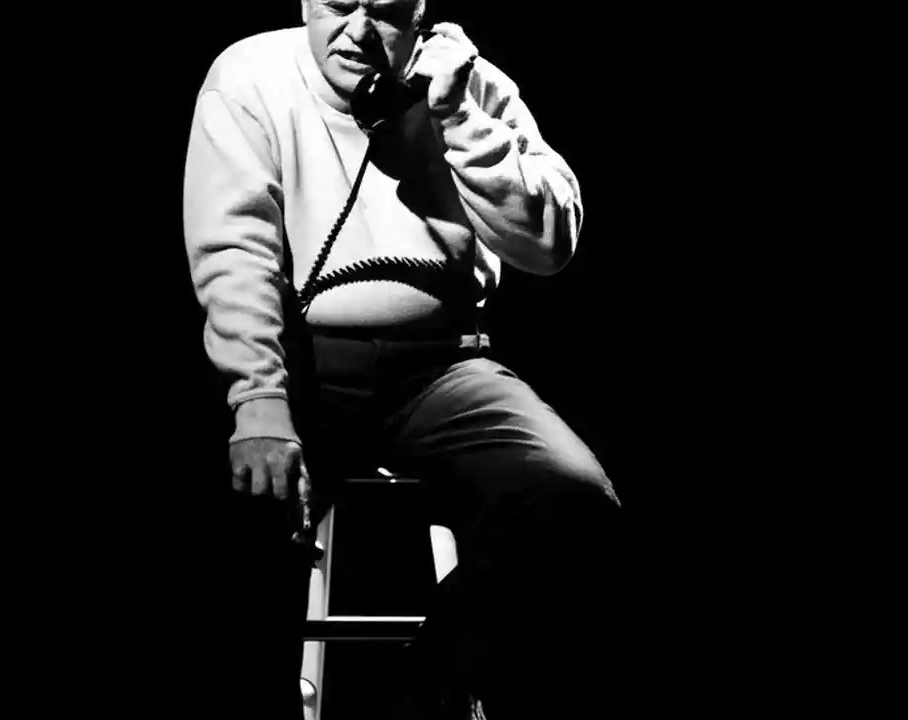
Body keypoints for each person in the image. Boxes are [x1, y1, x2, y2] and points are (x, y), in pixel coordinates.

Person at [183, 1, 626, 717]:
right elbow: (236, 250)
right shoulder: (250, 75)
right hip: (301, 369)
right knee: (242, 506)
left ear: (421, 17)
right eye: (337, 7)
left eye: (385, 13)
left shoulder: (474, 87)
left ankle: (430, 685)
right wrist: (257, 397)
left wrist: (458, 119)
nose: (358, 33)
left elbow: (550, 244)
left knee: (571, 500)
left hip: (445, 369)